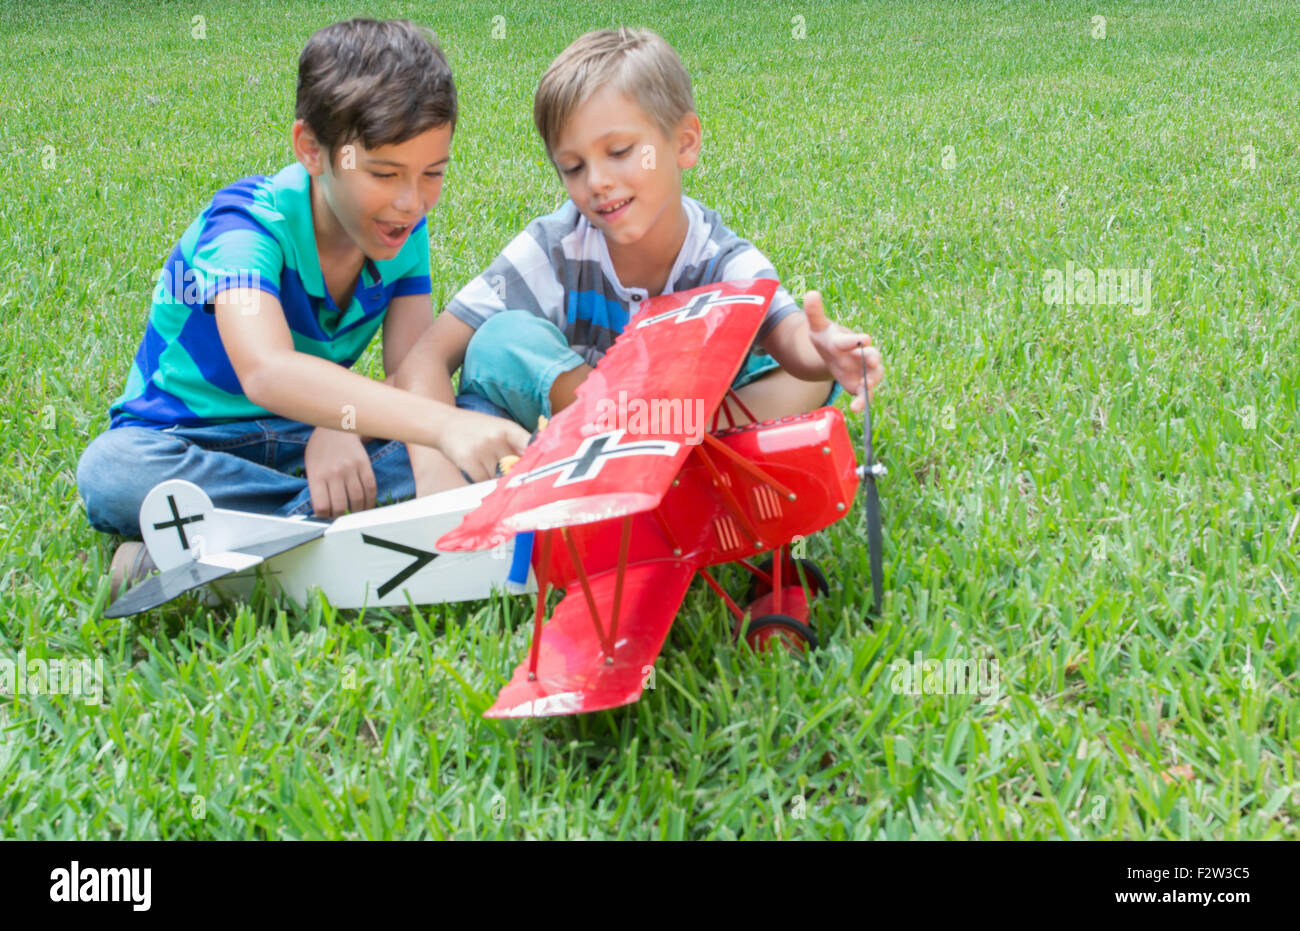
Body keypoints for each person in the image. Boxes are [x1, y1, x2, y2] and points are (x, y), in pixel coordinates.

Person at [77, 18, 528, 596]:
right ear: (312, 150)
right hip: (188, 443)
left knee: (483, 415)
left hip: (307, 435)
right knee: (112, 472)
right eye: (384, 173)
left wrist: (431, 481)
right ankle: (330, 524)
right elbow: (267, 369)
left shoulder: (403, 231)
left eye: (432, 174)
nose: (412, 202)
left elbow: (412, 369)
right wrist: (439, 431)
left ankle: (215, 553)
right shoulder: (241, 226)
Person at [402, 27, 885, 444]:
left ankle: (662, 445)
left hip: (683, 412)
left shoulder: (720, 258)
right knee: (499, 341)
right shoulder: (553, 248)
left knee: (798, 381)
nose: (595, 182)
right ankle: (637, 440)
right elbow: (432, 354)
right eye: (572, 167)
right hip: (588, 413)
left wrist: (822, 351)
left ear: (684, 143)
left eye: (619, 151)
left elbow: (789, 336)